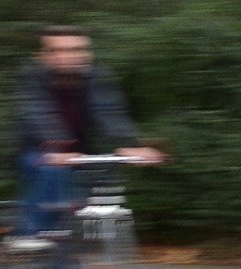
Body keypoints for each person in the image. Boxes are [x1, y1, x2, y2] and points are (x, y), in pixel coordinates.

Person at [11, 26, 163, 251]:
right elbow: (37, 112)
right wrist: (57, 147)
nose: (65, 56)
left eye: (74, 50)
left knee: (73, 218)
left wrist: (130, 145)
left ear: (86, 53)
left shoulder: (97, 77)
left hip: (79, 155)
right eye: (56, 51)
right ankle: (28, 232)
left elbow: (109, 112)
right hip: (36, 152)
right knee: (52, 171)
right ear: (43, 55)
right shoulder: (31, 76)